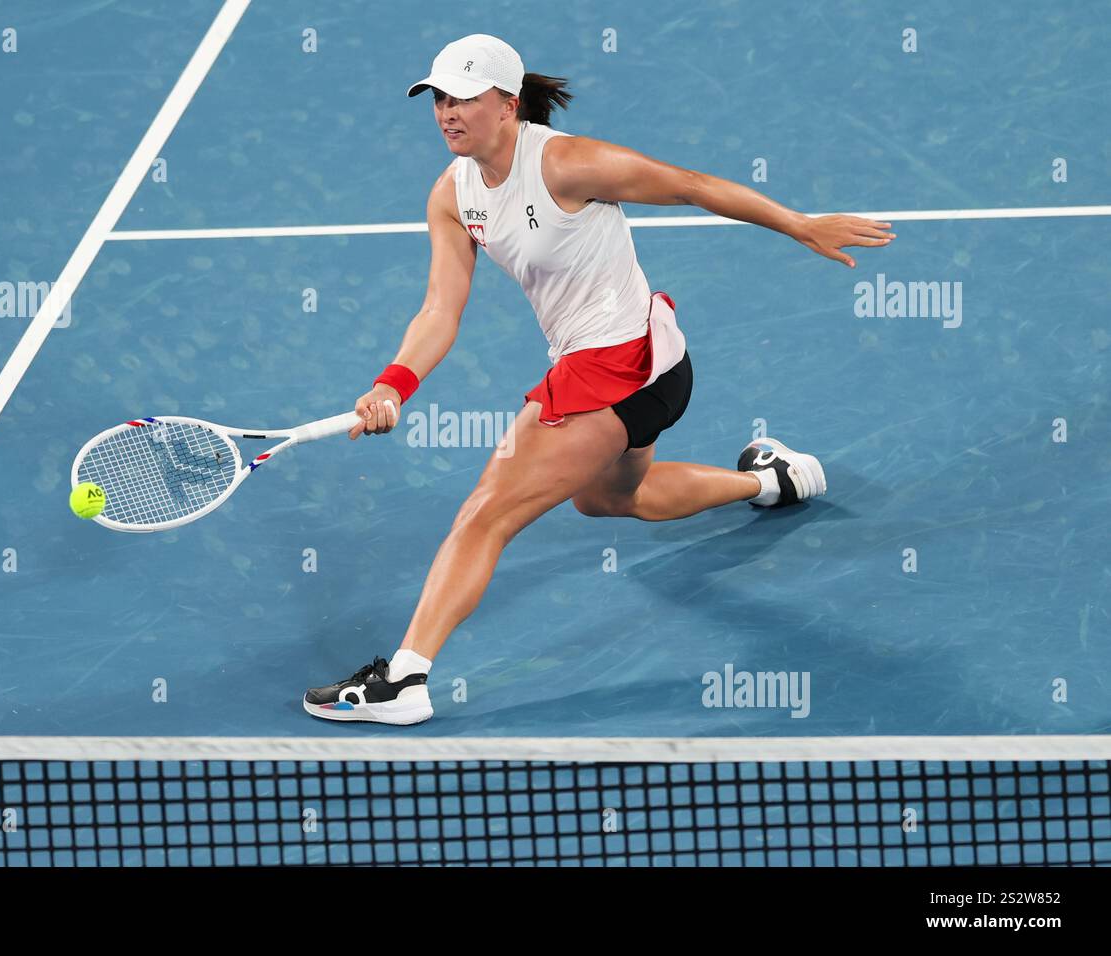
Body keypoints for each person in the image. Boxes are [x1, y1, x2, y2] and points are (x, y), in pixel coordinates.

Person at [304, 34, 895, 725]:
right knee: (613, 500)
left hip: (617, 368)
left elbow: (692, 186)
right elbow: (441, 307)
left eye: (463, 97)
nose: (446, 111)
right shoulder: (452, 194)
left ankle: (404, 680)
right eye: (437, 97)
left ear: (507, 103)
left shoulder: (566, 163)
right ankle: (775, 481)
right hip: (653, 373)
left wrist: (799, 223)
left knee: (485, 514)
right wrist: (393, 385)